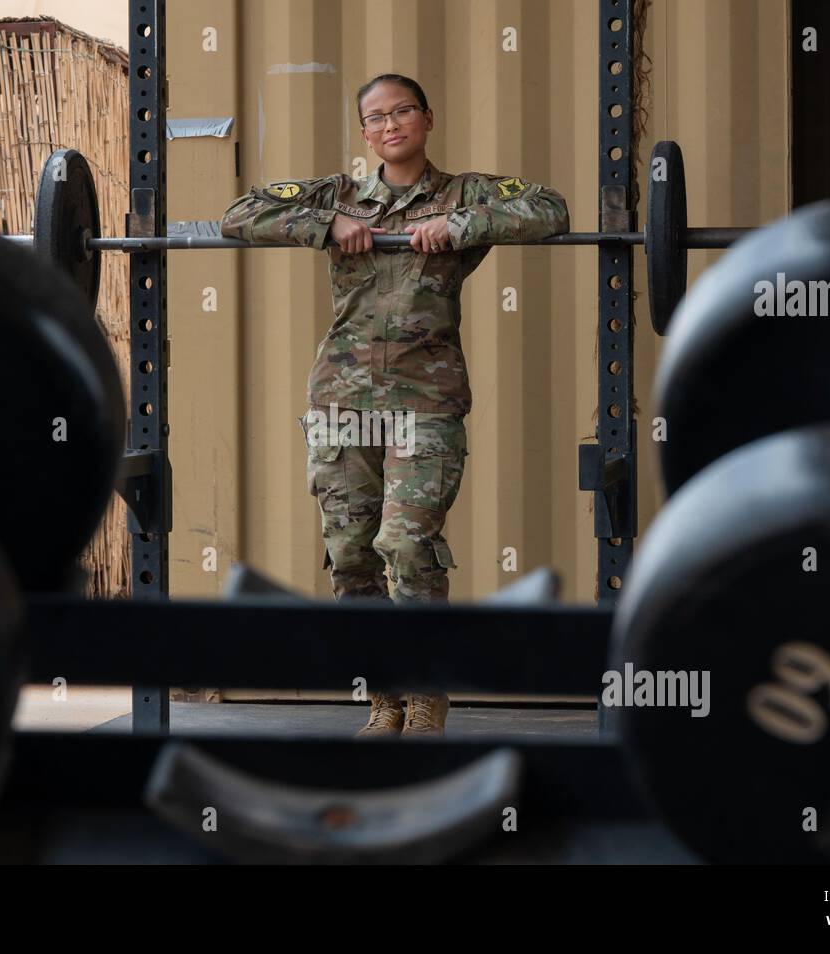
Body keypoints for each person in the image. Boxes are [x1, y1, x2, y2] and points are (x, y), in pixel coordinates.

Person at [220, 73, 570, 738]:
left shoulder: (463, 192)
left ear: (427, 118)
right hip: (341, 401)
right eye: (376, 117)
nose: (390, 125)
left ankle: (427, 699)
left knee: (407, 546)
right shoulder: (339, 193)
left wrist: (458, 225)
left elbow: (551, 210)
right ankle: (384, 700)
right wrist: (329, 224)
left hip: (426, 400)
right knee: (350, 553)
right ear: (364, 133)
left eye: (402, 110)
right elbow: (238, 216)